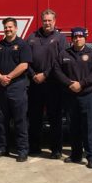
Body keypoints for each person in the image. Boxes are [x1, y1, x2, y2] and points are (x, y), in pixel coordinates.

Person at [52, 27, 92, 168]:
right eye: (75, 37)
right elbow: (57, 70)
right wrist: (69, 84)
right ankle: (75, 155)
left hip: (87, 96)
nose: (77, 39)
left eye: (80, 37)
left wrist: (81, 84)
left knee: (88, 128)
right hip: (70, 96)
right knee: (73, 127)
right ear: (72, 39)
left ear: (85, 38)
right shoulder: (64, 54)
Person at [0, 17, 33, 162]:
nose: (7, 29)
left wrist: (8, 77)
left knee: (20, 120)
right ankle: (3, 148)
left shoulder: (23, 44)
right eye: (5, 27)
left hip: (17, 87)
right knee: (2, 121)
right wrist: (0, 77)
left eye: (10, 27)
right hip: (2, 87)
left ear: (16, 28)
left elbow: (24, 65)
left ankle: (22, 150)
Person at [26, 8, 67, 158]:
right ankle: (34, 147)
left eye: (50, 20)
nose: (47, 23)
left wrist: (45, 74)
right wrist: (33, 75)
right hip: (35, 84)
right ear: (41, 21)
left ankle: (56, 150)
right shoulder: (32, 37)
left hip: (53, 84)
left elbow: (61, 60)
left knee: (55, 118)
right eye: (45, 20)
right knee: (34, 118)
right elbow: (26, 59)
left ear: (54, 22)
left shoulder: (60, 38)